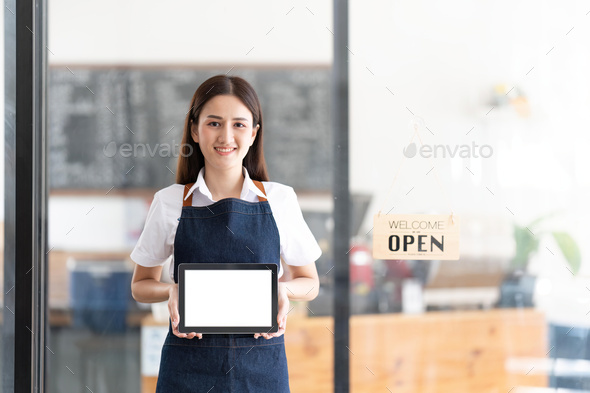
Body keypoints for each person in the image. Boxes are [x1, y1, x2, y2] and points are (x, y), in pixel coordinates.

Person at [130, 74, 321, 392]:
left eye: (239, 124)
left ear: (254, 133)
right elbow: (140, 286)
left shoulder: (280, 199)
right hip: (187, 370)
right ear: (195, 129)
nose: (226, 136)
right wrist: (172, 290)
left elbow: (310, 282)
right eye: (214, 123)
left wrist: (283, 290)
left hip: (261, 368)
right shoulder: (168, 202)